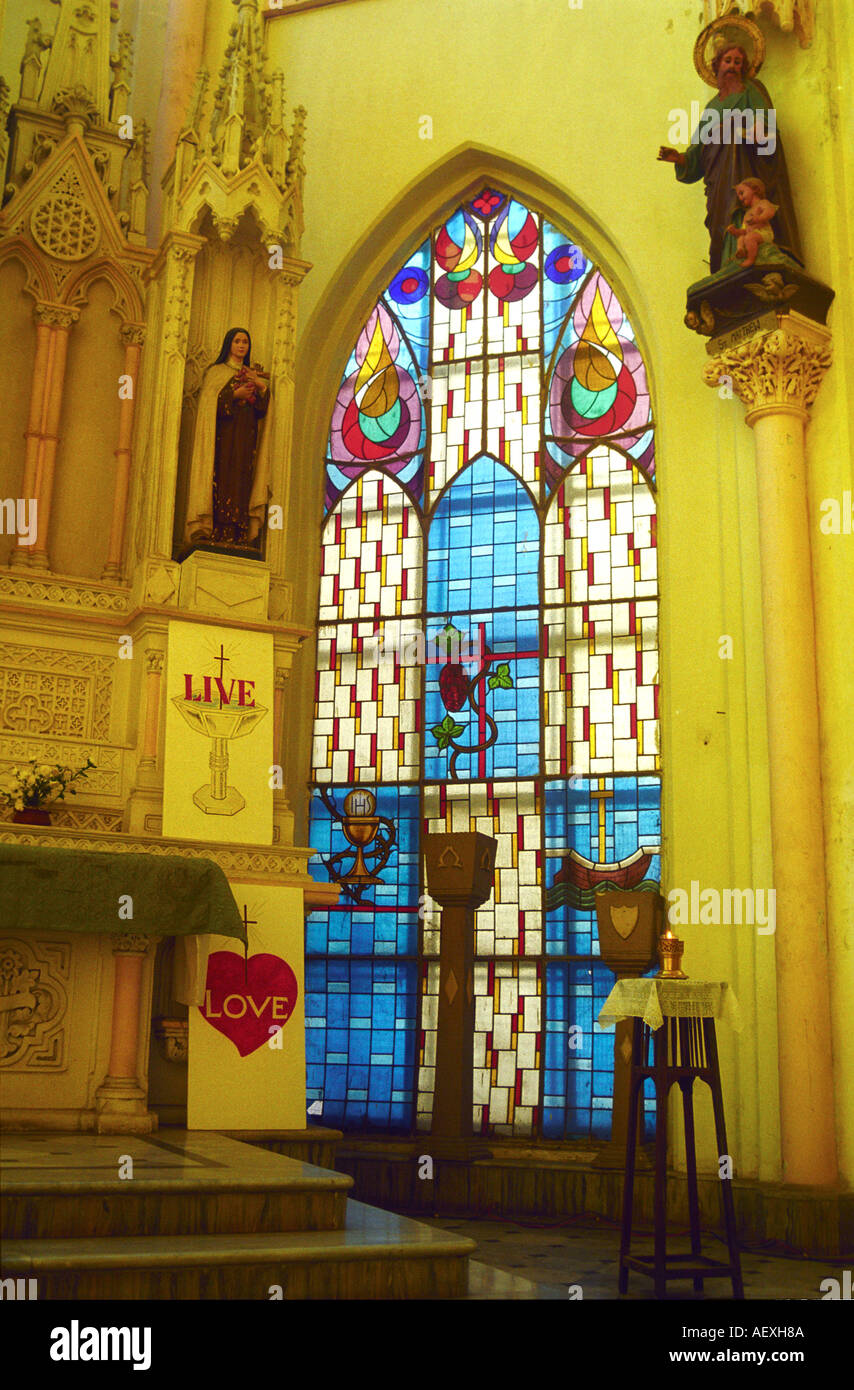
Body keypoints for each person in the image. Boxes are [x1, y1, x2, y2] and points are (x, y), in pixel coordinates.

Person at [658, 38, 802, 274]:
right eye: (727, 61)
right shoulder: (712, 107)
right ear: (717, 66)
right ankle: (727, 258)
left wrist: (737, 127)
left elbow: (767, 128)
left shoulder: (752, 92)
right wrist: (681, 159)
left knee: (743, 203)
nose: (732, 66)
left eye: (738, 62)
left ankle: (747, 248)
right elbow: (699, 150)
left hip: (745, 163)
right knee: (722, 218)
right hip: (719, 180)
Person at [184, 327, 271, 549]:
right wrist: (234, 395)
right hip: (222, 441)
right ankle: (214, 528)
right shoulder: (216, 372)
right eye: (237, 341)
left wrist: (258, 385)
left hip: (246, 438)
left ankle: (240, 530)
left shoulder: (252, 373)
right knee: (224, 480)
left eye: (245, 342)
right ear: (228, 345)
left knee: (242, 481)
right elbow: (209, 405)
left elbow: (263, 409)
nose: (242, 346)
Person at [726, 179, 777, 268]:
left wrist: (758, 219)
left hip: (764, 233)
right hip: (751, 235)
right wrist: (735, 231)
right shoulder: (746, 214)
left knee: (749, 238)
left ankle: (750, 259)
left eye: (741, 193)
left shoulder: (763, 203)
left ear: (755, 189)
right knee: (741, 238)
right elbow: (745, 231)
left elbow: (770, 212)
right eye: (738, 196)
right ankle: (741, 251)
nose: (740, 198)